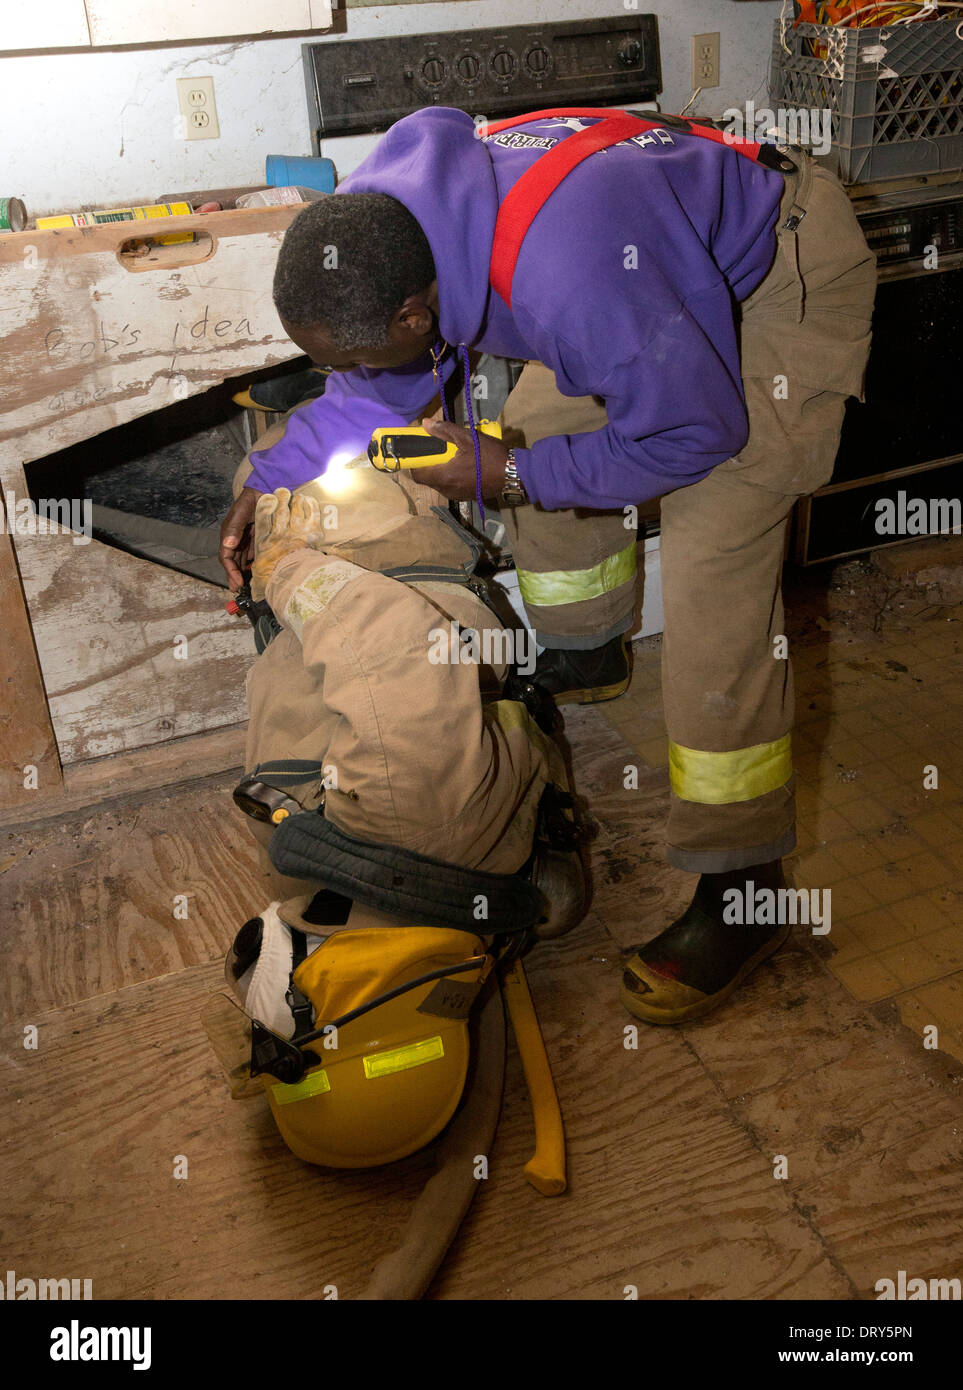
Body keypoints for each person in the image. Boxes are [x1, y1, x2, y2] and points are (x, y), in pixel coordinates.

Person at [220, 106, 876, 1025]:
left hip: (773, 272)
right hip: (633, 268)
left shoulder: (573, 279)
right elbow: (377, 385)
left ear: (417, 310)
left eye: (367, 348)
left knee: (714, 574)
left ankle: (743, 889)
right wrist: (266, 471)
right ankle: (588, 652)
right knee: (540, 425)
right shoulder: (384, 228)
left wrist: (513, 472)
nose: (359, 369)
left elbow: (701, 428)